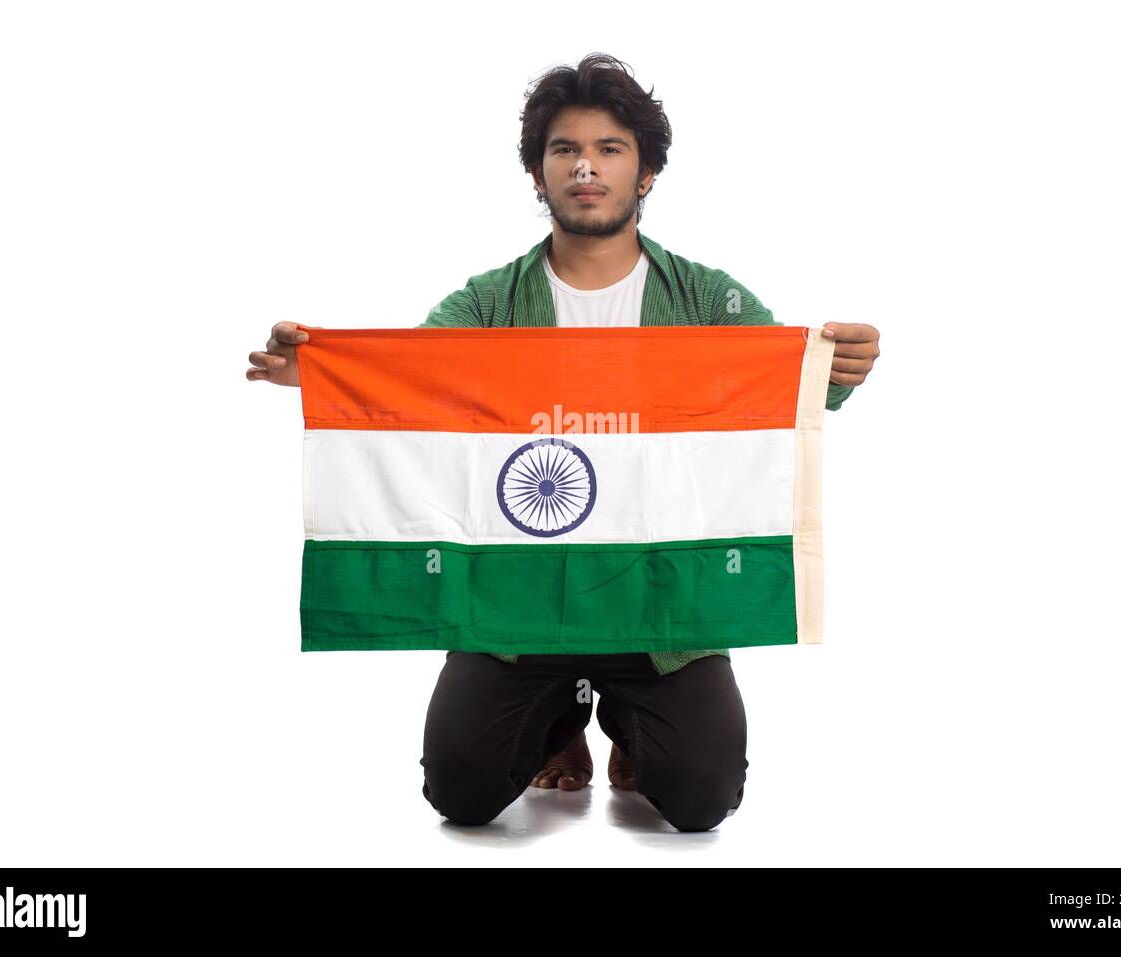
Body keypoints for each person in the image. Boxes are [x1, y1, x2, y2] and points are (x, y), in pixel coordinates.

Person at [246, 53, 880, 831]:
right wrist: (314, 375)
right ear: (539, 176)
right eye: (564, 150)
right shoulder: (489, 301)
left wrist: (842, 366)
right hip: (518, 607)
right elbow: (408, 386)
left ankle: (630, 726)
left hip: (660, 612)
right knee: (462, 793)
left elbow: (794, 393)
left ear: (645, 174)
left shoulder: (707, 299)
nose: (586, 166)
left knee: (702, 798)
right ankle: (561, 719)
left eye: (610, 149)